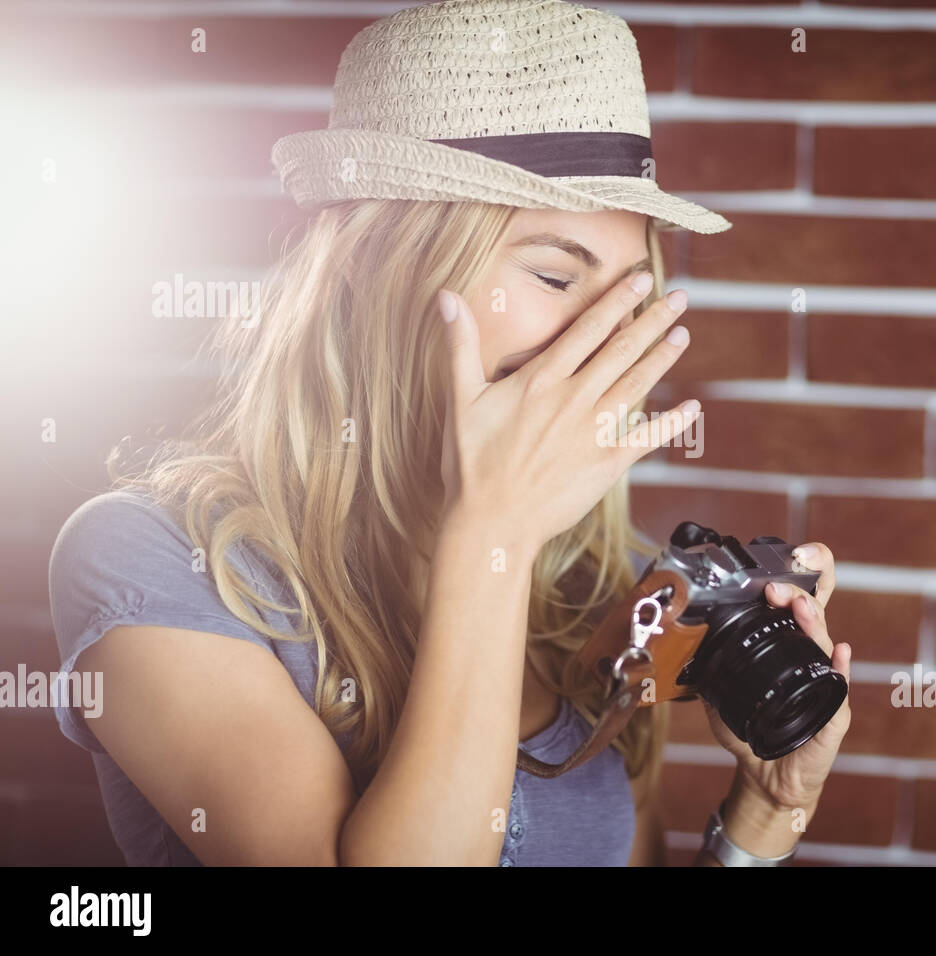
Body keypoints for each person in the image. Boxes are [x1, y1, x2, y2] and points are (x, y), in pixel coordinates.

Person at [47, 0, 851, 866]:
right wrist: (492, 537)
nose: (611, 341)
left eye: (632, 296)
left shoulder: (599, 583)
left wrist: (764, 820)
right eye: (554, 274)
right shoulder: (152, 561)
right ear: (372, 262)